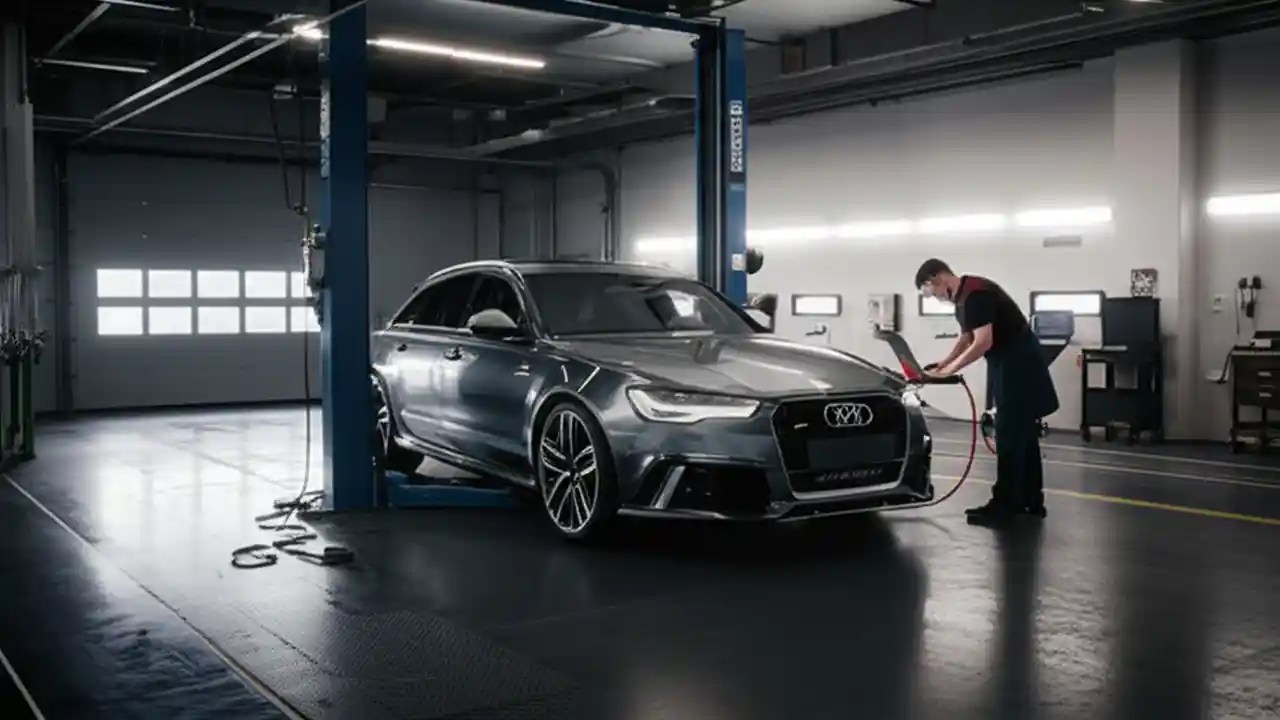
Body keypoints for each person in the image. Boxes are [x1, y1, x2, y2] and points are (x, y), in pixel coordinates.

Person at [914, 258, 1059, 525]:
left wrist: (950, 372)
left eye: (931, 292)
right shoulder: (964, 298)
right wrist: (942, 365)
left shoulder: (976, 295)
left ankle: (1004, 506)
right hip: (1008, 361)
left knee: (1008, 435)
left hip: (1017, 363)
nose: (934, 297)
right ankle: (1030, 501)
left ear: (935, 279)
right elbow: (966, 338)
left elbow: (982, 343)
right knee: (1024, 436)